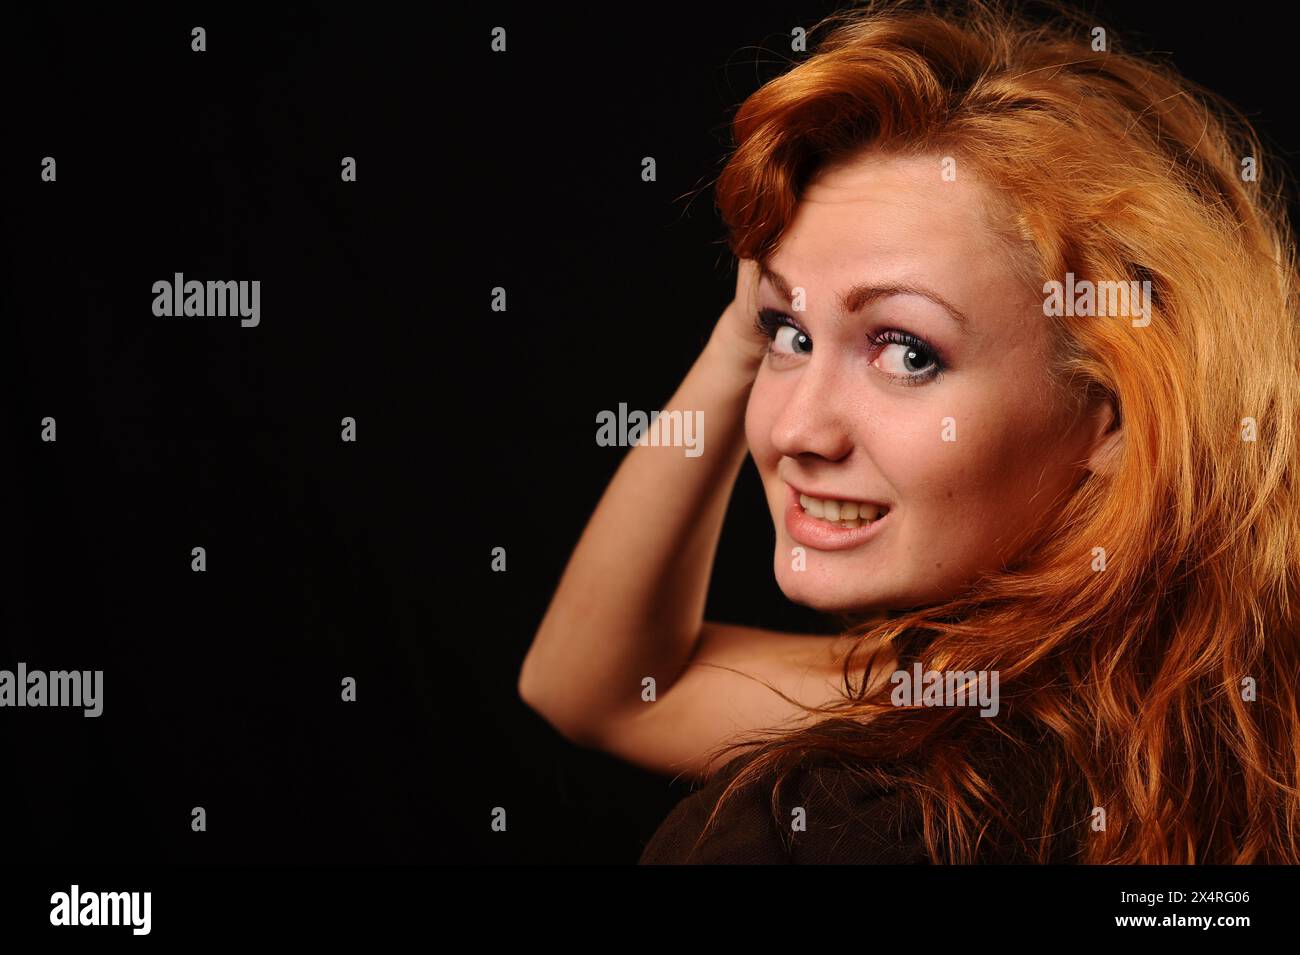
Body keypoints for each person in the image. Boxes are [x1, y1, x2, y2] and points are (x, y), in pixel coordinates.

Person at [519, 0, 1300, 864]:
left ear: (1111, 416)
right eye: (787, 336)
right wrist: (747, 331)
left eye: (906, 351)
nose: (795, 432)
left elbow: (606, 693)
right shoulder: (1197, 718)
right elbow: (599, 687)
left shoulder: (818, 829)